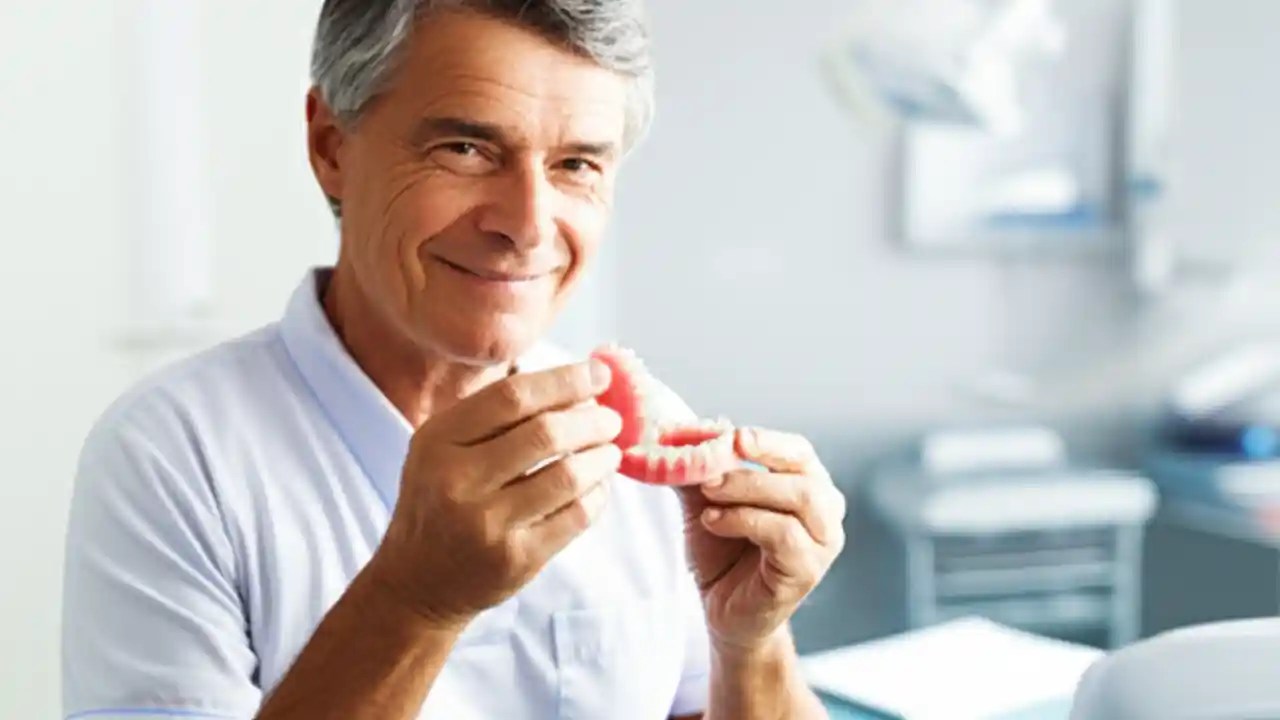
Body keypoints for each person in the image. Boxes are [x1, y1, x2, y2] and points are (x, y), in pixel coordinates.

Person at [60, 1, 847, 718]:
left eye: (576, 164)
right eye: (467, 148)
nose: (528, 226)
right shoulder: (172, 458)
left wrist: (750, 644)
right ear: (332, 147)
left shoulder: (639, 435)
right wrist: (416, 599)